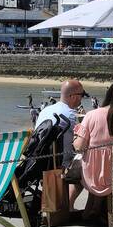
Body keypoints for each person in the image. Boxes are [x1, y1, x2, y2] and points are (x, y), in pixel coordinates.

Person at [36, 78, 88, 209]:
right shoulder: (70, 115)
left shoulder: (45, 111)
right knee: (92, 165)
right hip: (61, 165)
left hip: (41, 162)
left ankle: (67, 206)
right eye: (81, 95)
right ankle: (70, 205)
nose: (81, 99)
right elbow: (78, 145)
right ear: (73, 96)